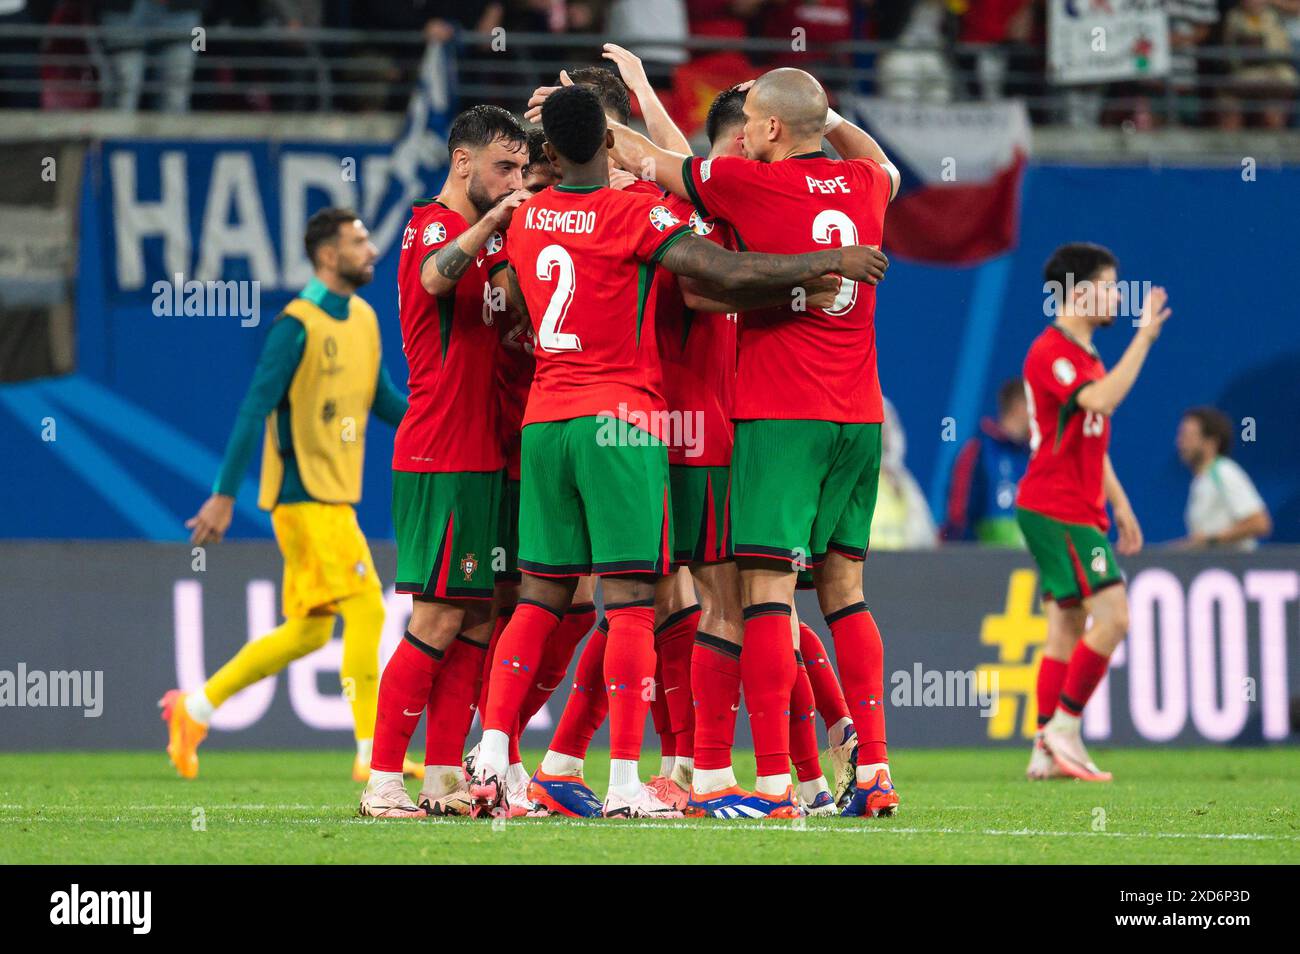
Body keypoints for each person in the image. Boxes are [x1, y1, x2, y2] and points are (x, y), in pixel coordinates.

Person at [468, 82, 889, 819]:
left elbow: (498, 285)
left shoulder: (533, 217)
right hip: (666, 425)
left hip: (560, 421)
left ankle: (513, 756)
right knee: (691, 601)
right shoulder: (661, 210)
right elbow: (707, 279)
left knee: (576, 596)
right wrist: (812, 273)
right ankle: (712, 778)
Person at [606, 67, 906, 818]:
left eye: (755, 124)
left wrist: (588, 115)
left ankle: (771, 781)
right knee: (844, 591)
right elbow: (887, 166)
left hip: (781, 414)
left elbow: (649, 161)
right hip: (860, 417)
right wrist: (829, 116)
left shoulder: (747, 184)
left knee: (762, 592)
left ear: (766, 128)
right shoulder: (866, 187)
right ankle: (872, 773)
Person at [166, 208, 409, 783]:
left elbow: (383, 399)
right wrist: (224, 495)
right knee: (368, 606)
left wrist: (438, 425)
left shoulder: (365, 320)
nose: (371, 249)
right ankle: (372, 752)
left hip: (332, 495)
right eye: (358, 241)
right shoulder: (294, 325)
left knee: (309, 631)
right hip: (303, 497)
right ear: (328, 255)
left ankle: (194, 709)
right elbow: (255, 407)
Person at [358, 105, 530, 819]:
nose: (515, 181)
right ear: (463, 162)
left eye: (523, 169)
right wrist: (497, 223)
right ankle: (382, 784)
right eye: (504, 167)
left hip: (484, 454)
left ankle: (440, 778)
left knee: (479, 623)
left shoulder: (496, 244)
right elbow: (433, 278)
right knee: (433, 621)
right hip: (438, 449)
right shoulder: (432, 222)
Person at [1018, 242, 1172, 783]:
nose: (1115, 296)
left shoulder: (1084, 357)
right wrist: (1145, 339)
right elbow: (1101, 403)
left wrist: (1121, 502)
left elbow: (1090, 441)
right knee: (1116, 617)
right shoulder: (1052, 353)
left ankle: (1043, 749)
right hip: (1056, 507)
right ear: (1079, 292)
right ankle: (1065, 726)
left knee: (1066, 626)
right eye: (1109, 285)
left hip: (1075, 504)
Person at [942, 378, 1030, 546]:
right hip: (985, 564)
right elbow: (958, 512)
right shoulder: (978, 450)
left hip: (1030, 564)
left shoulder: (1035, 456)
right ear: (1020, 405)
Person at [1175, 406, 1271, 550]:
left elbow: (1259, 523)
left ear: (1211, 442)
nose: (1180, 443)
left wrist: (1209, 540)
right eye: (1181, 436)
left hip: (1235, 567)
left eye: (1188, 436)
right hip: (1214, 568)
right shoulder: (1201, 480)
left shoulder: (1224, 472)